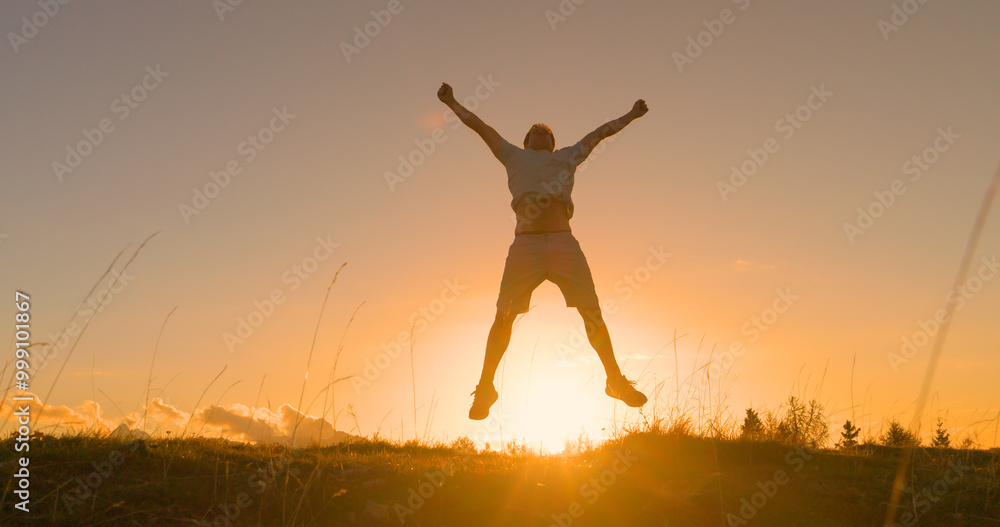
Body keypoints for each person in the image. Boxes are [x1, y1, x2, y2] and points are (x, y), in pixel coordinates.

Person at [436, 82, 649, 420]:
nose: (539, 131)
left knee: (591, 312)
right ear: (526, 142)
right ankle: (486, 386)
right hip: (527, 246)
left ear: (552, 144)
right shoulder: (512, 155)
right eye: (534, 130)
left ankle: (615, 381)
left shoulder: (569, 155)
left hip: (563, 242)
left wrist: (632, 115)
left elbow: (600, 133)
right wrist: (451, 102)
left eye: (545, 132)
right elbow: (479, 126)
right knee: (503, 317)